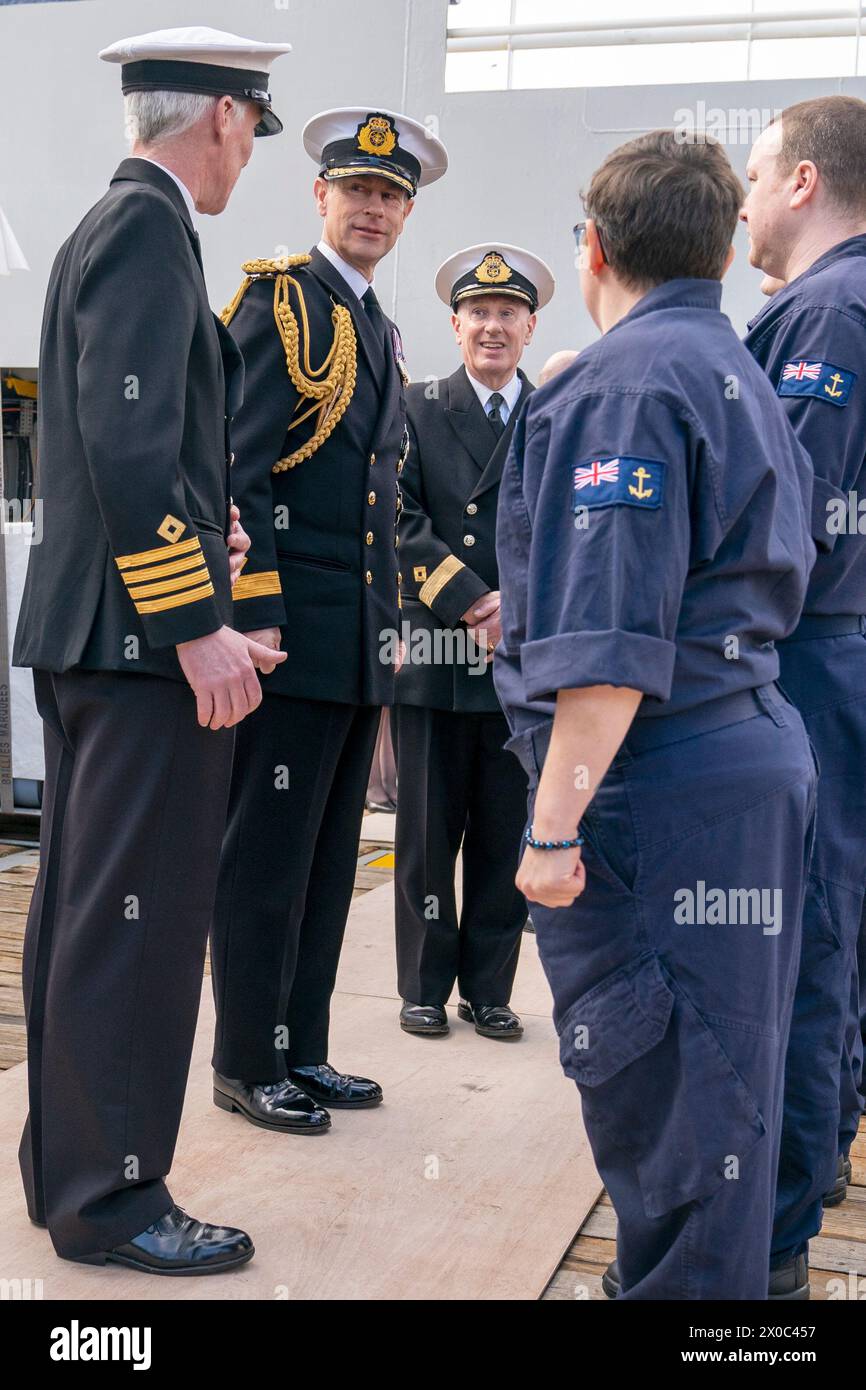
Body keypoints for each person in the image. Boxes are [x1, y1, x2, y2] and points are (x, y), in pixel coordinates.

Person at [494, 130, 817, 1300]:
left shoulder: (624, 384)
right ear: (727, 247)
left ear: (591, 248)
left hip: (657, 778)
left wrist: (546, 833)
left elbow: (607, 654)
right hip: (736, 751)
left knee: (672, 1105)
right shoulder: (724, 362)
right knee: (720, 1090)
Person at [12, 25, 291, 1273]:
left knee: (86, 915)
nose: (247, 157)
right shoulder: (147, 227)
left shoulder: (107, 225)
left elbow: (118, 443)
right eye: (253, 132)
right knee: (133, 924)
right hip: (135, 649)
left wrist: (201, 505)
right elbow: (121, 452)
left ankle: (69, 1174)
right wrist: (197, 627)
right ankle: (114, 1201)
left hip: (99, 638)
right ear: (225, 118)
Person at [209, 108, 448, 1131]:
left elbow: (378, 504)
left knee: (325, 856)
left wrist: (384, 631)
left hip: (353, 648)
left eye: (390, 196)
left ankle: (299, 1047)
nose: (372, 207)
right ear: (320, 197)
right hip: (288, 640)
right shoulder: (282, 302)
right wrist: (256, 619)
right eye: (355, 189)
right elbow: (239, 470)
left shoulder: (378, 328)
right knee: (266, 855)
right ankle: (241, 1059)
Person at [742, 94, 866, 1297]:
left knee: (806, 940)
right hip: (842, 655)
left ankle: (770, 1246)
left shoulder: (826, 310)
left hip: (812, 658)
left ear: (800, 181)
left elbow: (782, 525)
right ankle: (817, 1156)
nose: (739, 197)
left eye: (754, 170)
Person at [393, 243, 553, 1039]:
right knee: (427, 833)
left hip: (518, 658)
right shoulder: (416, 408)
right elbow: (398, 519)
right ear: (455, 327)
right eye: (479, 314)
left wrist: (512, 608)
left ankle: (489, 988)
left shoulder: (554, 416)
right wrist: (472, 599)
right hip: (435, 652)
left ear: (529, 328)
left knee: (501, 828)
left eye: (508, 315)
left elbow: (568, 528)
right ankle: (423, 985)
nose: (493, 328)